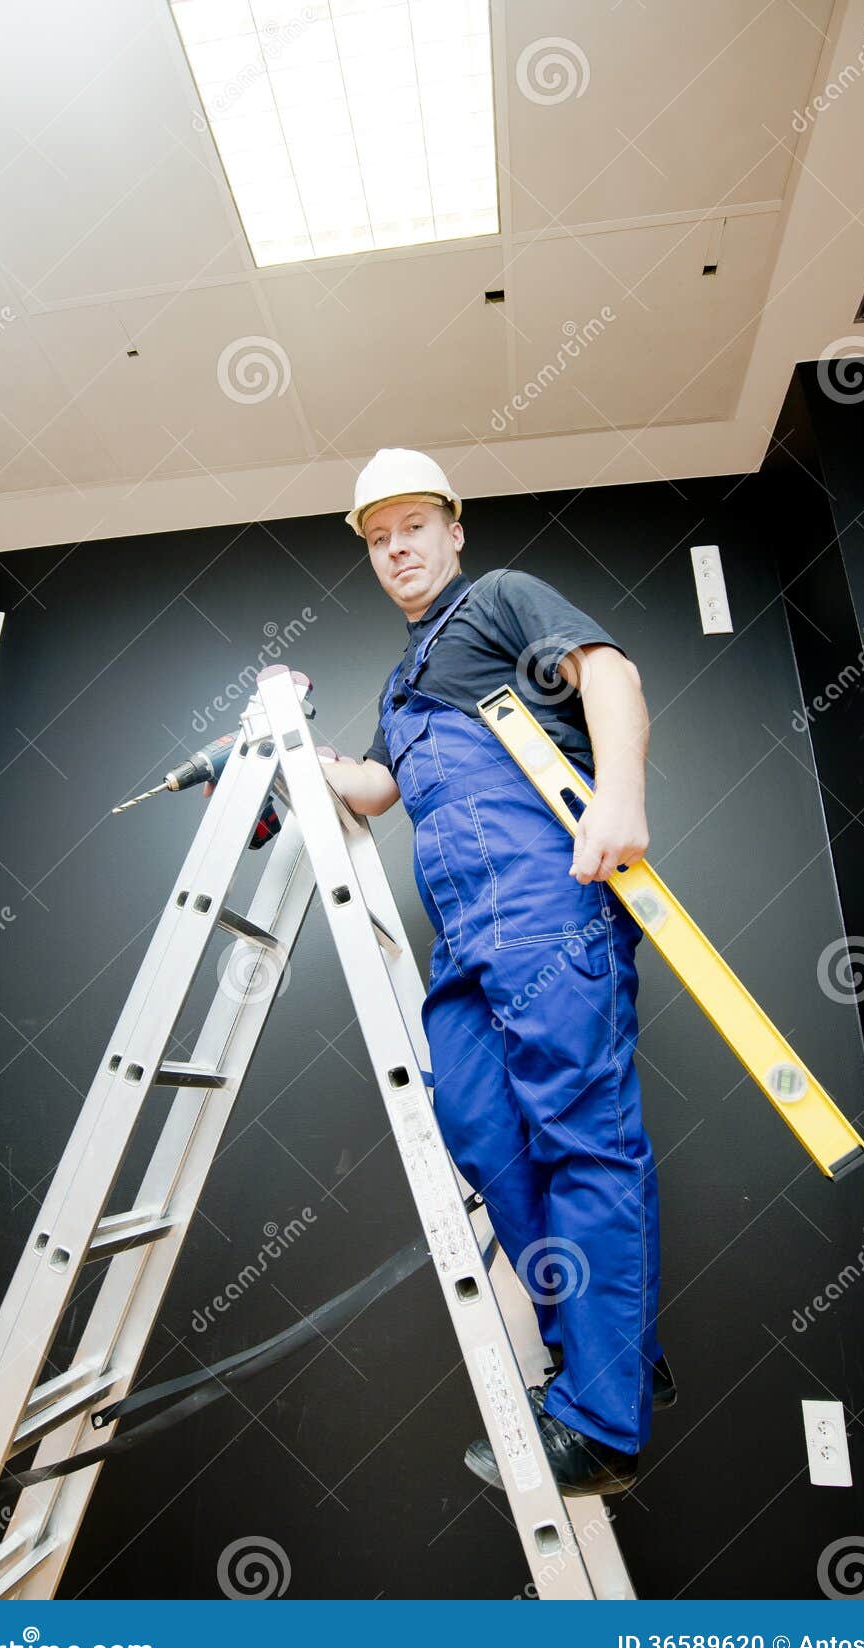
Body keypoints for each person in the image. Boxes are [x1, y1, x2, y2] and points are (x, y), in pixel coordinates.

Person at [324, 448, 674, 1497]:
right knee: (478, 1129)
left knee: (582, 1134)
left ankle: (605, 1422)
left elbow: (611, 673)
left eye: (413, 528)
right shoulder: (400, 684)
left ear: (453, 528)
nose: (397, 550)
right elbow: (379, 789)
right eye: (378, 539)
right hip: (463, 941)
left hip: (548, 908)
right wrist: (272, 759)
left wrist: (619, 795)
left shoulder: (506, 602)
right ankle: (609, 1348)